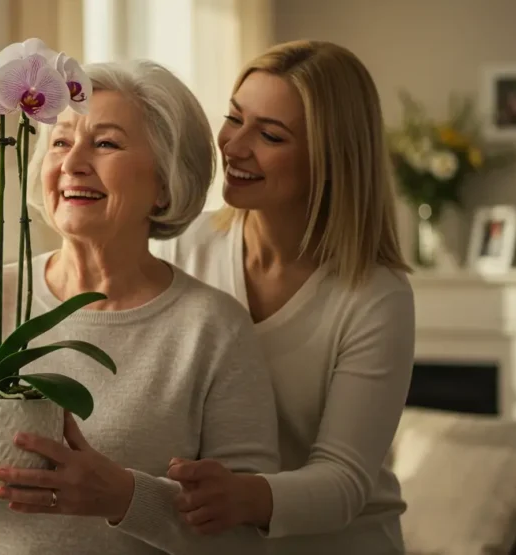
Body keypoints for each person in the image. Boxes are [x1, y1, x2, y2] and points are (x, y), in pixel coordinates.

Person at [0, 59, 281, 555]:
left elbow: (243, 536)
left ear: (166, 182)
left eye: (106, 144)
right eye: (61, 142)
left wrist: (125, 498)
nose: (72, 163)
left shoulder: (212, 328)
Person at [154, 40, 415, 554]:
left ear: (331, 159)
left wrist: (242, 495)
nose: (234, 146)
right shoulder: (184, 246)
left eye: (270, 135)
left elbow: (343, 480)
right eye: (234, 118)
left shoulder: (376, 297)